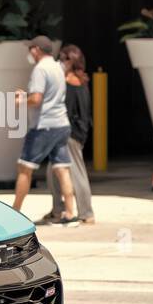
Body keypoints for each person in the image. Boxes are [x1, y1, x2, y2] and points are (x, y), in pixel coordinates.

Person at [12, 35, 78, 226]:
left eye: (30, 48)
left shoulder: (40, 69)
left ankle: (14, 213)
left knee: (25, 168)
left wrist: (21, 101)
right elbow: (50, 96)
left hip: (43, 126)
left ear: (36, 50)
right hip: (61, 124)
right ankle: (71, 214)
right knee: (62, 170)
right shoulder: (58, 67)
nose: (29, 53)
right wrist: (27, 95)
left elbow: (37, 99)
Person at [40, 43, 95, 224]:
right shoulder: (81, 80)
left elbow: (66, 111)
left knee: (76, 173)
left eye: (62, 59)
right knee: (53, 171)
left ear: (69, 61)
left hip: (69, 134)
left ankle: (86, 213)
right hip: (74, 133)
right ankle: (58, 209)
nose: (59, 62)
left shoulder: (69, 83)